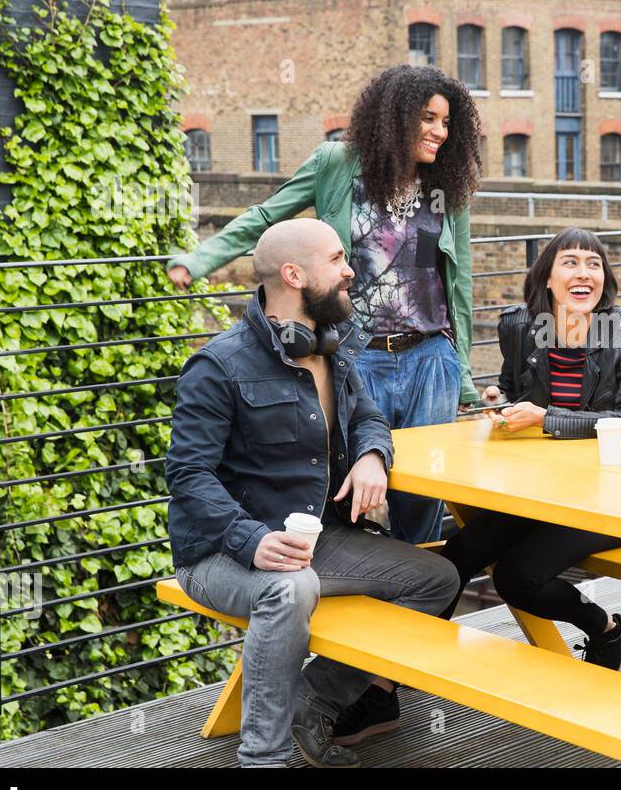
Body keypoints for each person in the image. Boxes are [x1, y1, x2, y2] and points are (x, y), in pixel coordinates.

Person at [165, 218, 460, 767]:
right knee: (289, 590)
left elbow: (368, 415)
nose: (352, 270)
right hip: (220, 554)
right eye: (337, 259)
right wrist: (251, 540)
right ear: (294, 274)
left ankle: (311, 700)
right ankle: (263, 756)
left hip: (316, 540)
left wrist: (374, 453)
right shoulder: (218, 366)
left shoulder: (333, 348)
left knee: (438, 578)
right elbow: (187, 475)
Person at [167, 64, 483, 546]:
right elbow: (267, 218)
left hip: (429, 361)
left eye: (446, 123)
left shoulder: (444, 187)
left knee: (421, 500)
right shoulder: (337, 164)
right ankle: (358, 594)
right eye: (428, 119)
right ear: (396, 116)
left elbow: (455, 287)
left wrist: (463, 377)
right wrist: (200, 259)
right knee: (347, 492)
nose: (440, 132)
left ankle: (416, 597)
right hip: (356, 356)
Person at [440, 228, 621, 671]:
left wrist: (543, 418)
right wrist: (498, 404)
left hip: (609, 498)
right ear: (548, 279)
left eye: (593, 264)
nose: (584, 273)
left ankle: (608, 630)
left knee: (517, 578)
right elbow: (510, 389)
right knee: (457, 556)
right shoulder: (521, 327)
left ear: (605, 278)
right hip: (539, 490)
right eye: (570, 262)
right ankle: (395, 678)